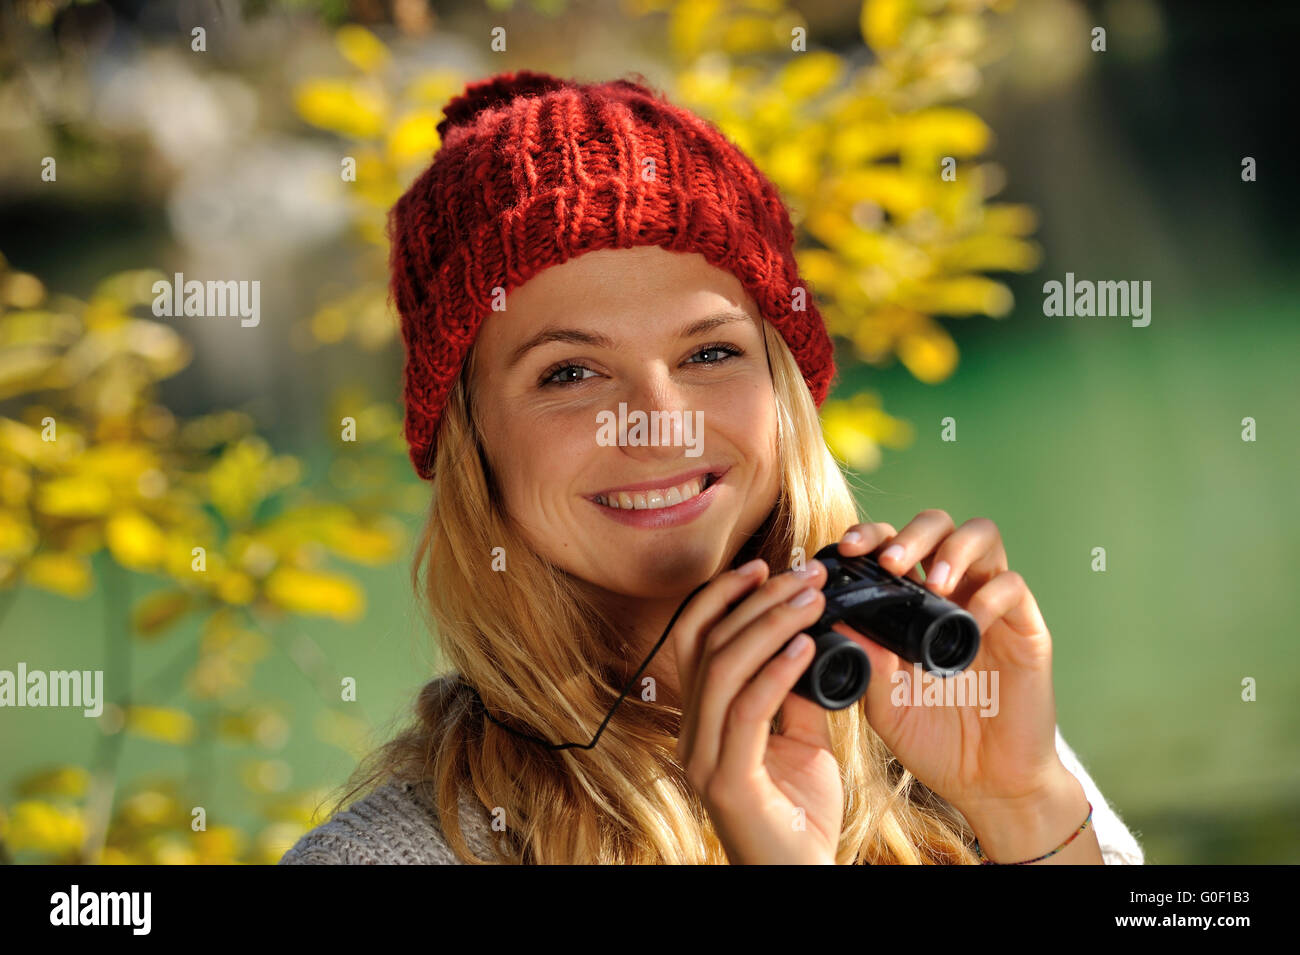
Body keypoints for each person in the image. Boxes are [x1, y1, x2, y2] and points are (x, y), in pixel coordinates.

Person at [280, 70, 1144, 865]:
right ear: (470, 444)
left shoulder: (949, 717)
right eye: (570, 372)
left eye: (709, 352)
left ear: (784, 391)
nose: (659, 423)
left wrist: (1025, 806)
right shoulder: (394, 854)